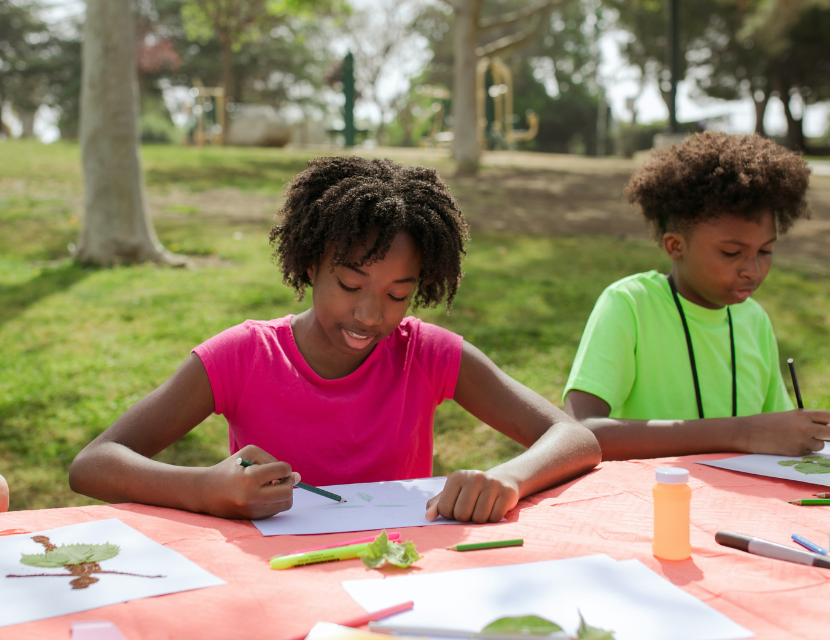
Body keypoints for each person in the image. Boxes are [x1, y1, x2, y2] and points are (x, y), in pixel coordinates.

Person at [70, 157, 600, 522]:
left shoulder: (426, 354)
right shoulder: (244, 356)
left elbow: (575, 438)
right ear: (310, 265)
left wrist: (510, 478)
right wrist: (204, 489)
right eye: (349, 285)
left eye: (398, 294)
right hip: (272, 576)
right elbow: (93, 464)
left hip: (393, 570)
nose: (370, 314)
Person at [563, 132, 830, 460]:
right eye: (731, 252)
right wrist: (742, 433)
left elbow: (775, 433)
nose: (753, 270)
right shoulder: (630, 305)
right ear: (676, 246)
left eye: (765, 250)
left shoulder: (754, 320)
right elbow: (579, 431)